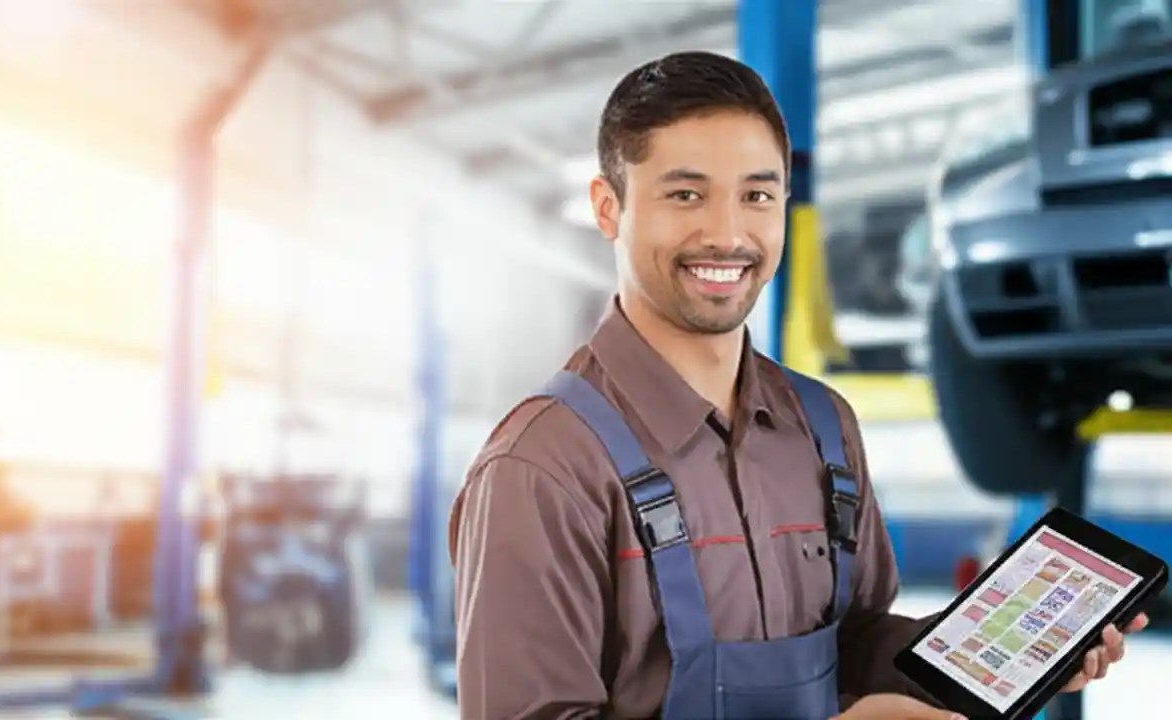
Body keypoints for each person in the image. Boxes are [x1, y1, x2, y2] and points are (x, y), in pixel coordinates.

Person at [448, 51, 1145, 720]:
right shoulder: (542, 469)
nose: (727, 234)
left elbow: (851, 645)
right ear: (608, 208)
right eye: (686, 194)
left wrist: (984, 660)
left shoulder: (823, 426)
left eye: (757, 195)